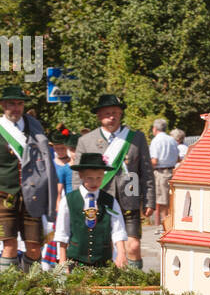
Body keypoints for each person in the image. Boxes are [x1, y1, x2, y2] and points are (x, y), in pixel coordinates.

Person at [74, 94, 154, 268]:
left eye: (116, 113)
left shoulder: (136, 137)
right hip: (99, 200)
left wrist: (149, 199)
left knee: (133, 246)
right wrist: (78, 201)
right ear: (99, 115)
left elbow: (146, 171)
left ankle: (134, 284)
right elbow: (77, 177)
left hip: (129, 198)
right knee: (105, 246)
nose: (112, 117)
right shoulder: (85, 141)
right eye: (108, 113)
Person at [0, 83, 58, 272]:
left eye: (19, 104)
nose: (15, 108)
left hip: (33, 194)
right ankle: (7, 293)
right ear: (3, 105)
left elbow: (46, 161)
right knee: (9, 246)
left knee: (34, 248)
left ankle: (29, 290)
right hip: (4, 194)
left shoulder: (34, 127)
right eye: (11, 104)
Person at [56, 152, 127, 268]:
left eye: (99, 178)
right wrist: (62, 260)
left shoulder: (110, 201)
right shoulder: (69, 200)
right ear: (81, 175)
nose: (95, 182)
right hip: (75, 260)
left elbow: (118, 229)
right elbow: (62, 232)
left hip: (103, 262)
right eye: (90, 178)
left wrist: (121, 253)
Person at [42, 127, 76, 268]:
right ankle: (52, 261)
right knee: (55, 233)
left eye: (63, 148)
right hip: (57, 202)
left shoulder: (71, 164)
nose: (60, 150)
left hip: (71, 200)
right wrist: (55, 206)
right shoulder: (51, 163)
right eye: (57, 148)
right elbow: (56, 189)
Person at [149, 119, 179, 229]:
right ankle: (170, 224)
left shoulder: (156, 141)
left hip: (161, 172)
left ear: (155, 129)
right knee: (171, 200)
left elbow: (154, 161)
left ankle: (165, 226)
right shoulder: (172, 140)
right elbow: (177, 158)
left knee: (162, 202)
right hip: (172, 171)